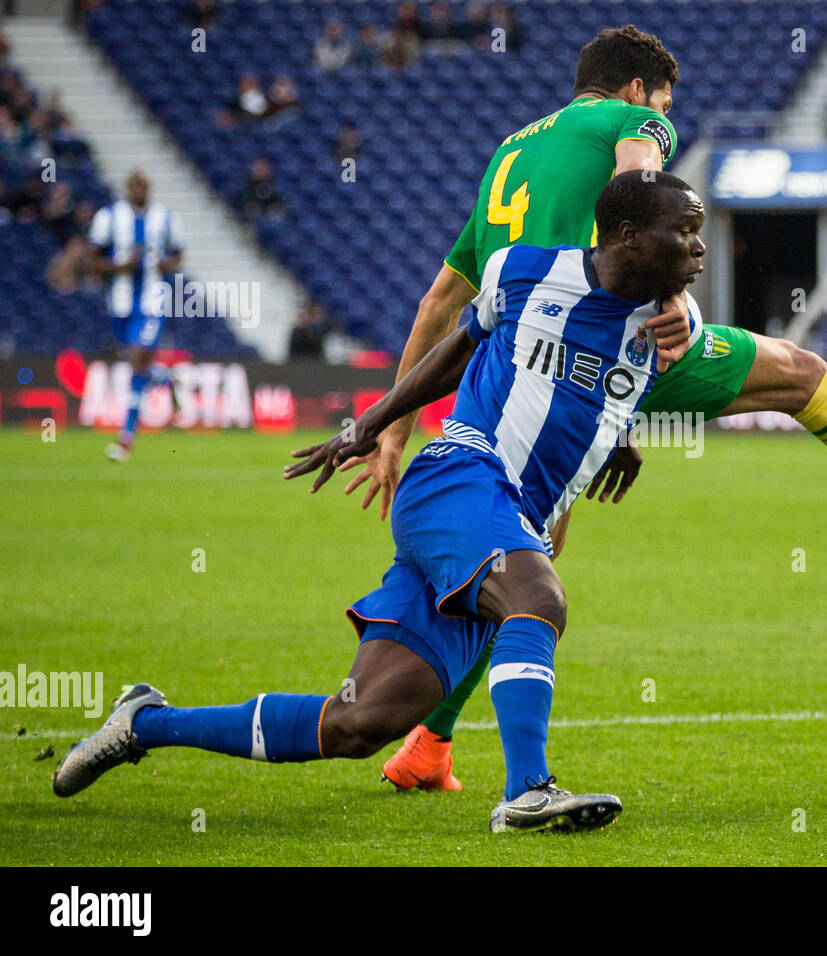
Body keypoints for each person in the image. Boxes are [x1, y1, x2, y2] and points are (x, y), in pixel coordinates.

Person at [347, 25, 827, 791]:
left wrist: (392, 432)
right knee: (801, 375)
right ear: (638, 92)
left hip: (525, 371)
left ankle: (430, 744)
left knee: (521, 550)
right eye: (664, 101)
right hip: (609, 337)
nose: (664, 115)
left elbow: (438, 302)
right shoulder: (633, 122)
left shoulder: (509, 156)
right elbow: (644, 190)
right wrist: (674, 296)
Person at [53, 170, 709, 835]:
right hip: (459, 475)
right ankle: (528, 792)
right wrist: (371, 423)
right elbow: (460, 347)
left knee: (358, 723)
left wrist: (619, 434)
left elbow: (597, 383)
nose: (699, 249)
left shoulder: (672, 328)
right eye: (684, 232)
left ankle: (143, 723)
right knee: (539, 599)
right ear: (628, 237)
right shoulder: (524, 271)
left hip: (502, 526)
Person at [89, 170, 183, 462]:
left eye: (144, 185)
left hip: (153, 302)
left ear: (149, 188)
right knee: (136, 363)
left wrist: (167, 264)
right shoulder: (108, 218)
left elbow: (178, 256)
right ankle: (164, 378)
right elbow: (91, 261)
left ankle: (126, 438)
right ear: (127, 188)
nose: (139, 190)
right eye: (134, 185)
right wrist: (120, 266)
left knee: (139, 356)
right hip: (120, 303)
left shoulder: (166, 219)